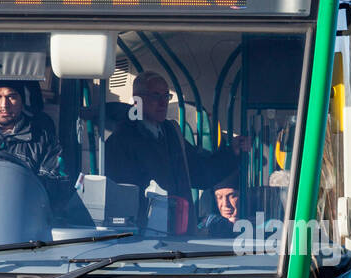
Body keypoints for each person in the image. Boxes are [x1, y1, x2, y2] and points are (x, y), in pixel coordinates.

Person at [104, 71, 247, 232]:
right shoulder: (121, 140)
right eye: (155, 96)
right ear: (137, 100)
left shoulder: (170, 133)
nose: (162, 103)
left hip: (174, 229)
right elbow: (121, 197)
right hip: (140, 232)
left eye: (166, 96)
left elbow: (198, 171)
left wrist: (231, 153)